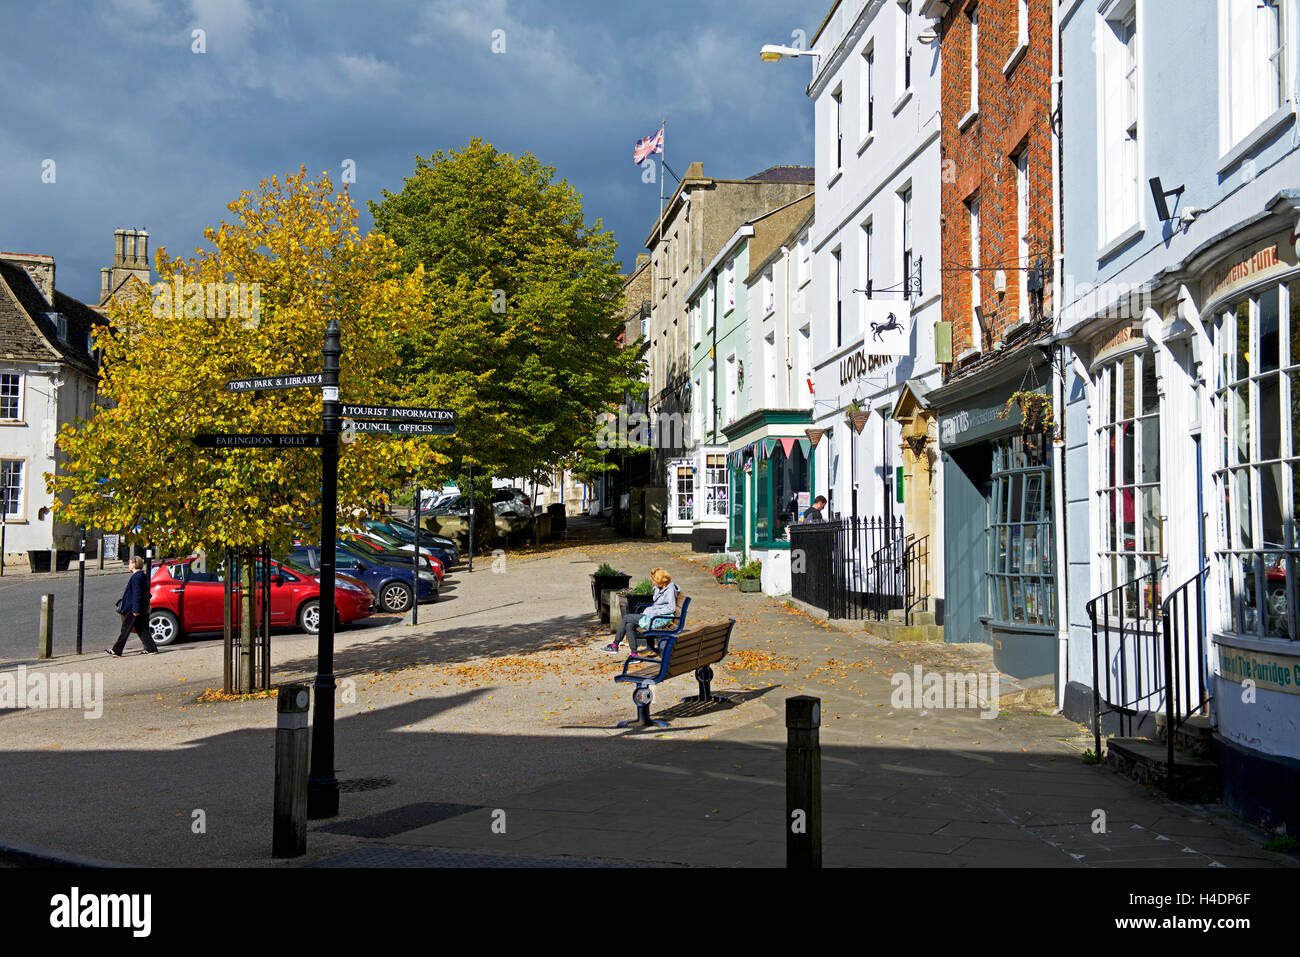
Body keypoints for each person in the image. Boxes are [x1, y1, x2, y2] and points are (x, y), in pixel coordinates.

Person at [603, 567, 679, 656]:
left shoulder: (670, 590)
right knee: (629, 624)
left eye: (654, 580)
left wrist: (654, 612)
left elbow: (671, 608)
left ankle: (614, 645)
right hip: (653, 616)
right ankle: (634, 654)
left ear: (661, 580)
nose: (653, 582)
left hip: (660, 618)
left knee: (627, 617)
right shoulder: (660, 588)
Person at [107, 557, 159, 657]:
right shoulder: (142, 575)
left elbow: (137, 594)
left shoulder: (136, 577)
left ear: (135, 564)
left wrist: (135, 609)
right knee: (142, 629)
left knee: (125, 629)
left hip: (133, 608)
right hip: (141, 607)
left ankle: (117, 650)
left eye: (130, 563)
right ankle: (151, 648)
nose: (129, 565)